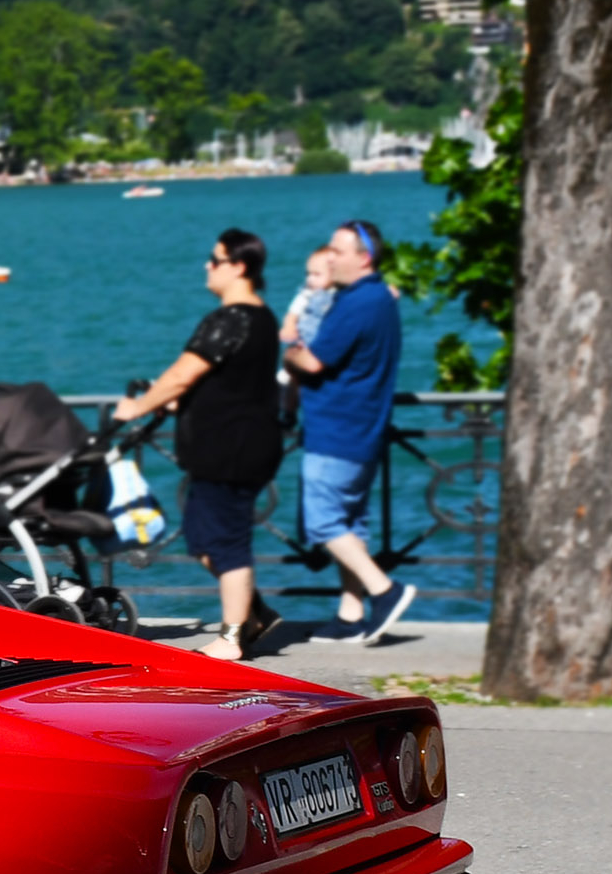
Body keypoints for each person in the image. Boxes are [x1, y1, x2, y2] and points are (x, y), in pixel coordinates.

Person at [114, 228, 284, 661]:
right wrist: (173, 404)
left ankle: (232, 636)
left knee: (225, 541)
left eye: (215, 259)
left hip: (230, 450)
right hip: (243, 444)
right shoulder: (263, 319)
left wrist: (138, 406)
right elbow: (225, 383)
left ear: (238, 266)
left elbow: (181, 374)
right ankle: (255, 612)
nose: (207, 267)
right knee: (204, 537)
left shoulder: (231, 318)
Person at [284, 218, 415, 643]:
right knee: (349, 524)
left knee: (323, 524)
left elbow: (315, 361)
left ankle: (384, 591)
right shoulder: (379, 298)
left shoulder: (356, 303)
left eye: (337, 252)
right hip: (364, 428)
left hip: (338, 429)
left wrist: (291, 355)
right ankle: (350, 613)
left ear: (363, 258)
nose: (330, 257)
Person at [276, 246, 334, 424]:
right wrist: (288, 327)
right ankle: (289, 412)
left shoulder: (339, 296)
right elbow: (292, 313)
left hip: (320, 348)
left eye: (317, 275)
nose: (310, 279)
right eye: (308, 274)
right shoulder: (306, 294)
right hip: (303, 344)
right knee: (288, 380)